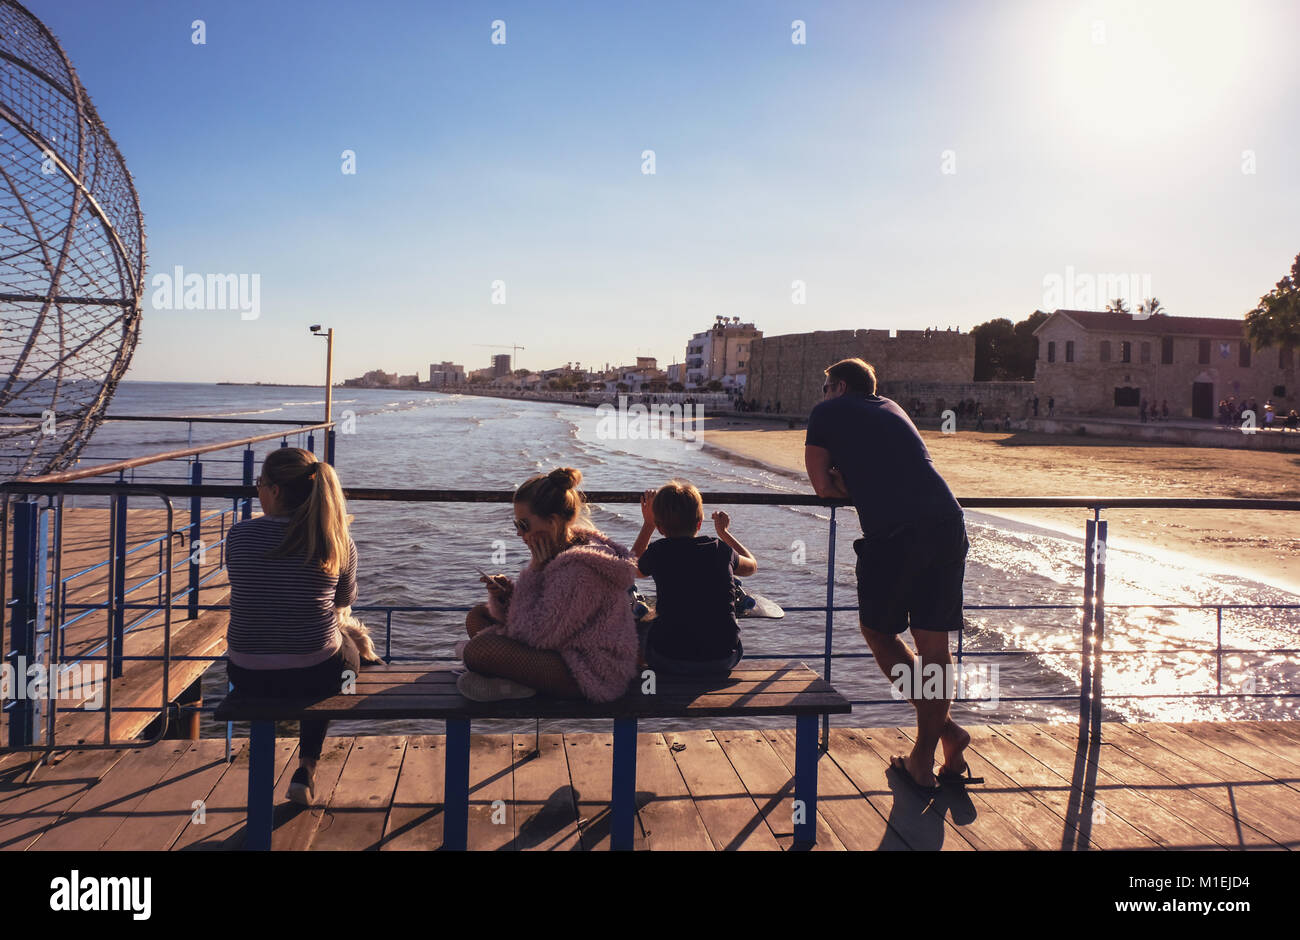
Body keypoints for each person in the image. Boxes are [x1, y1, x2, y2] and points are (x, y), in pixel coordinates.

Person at [804, 358, 974, 793]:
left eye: (826, 387)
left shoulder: (827, 411)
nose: (823, 395)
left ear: (838, 386)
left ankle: (925, 755)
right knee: (934, 647)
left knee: (879, 634)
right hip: (947, 522)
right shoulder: (892, 407)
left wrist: (848, 482)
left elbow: (822, 487)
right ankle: (944, 737)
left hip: (897, 534)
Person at [225, 447, 360, 806]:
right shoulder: (337, 540)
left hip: (246, 672)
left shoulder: (238, 536)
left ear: (276, 491)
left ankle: (274, 775)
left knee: (300, 648)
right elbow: (344, 601)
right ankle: (307, 767)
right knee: (343, 648)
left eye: (260, 484)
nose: (258, 491)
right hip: (314, 674)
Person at [461, 467, 639, 702]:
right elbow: (539, 616)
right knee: (477, 616)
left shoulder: (578, 571)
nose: (519, 534)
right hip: (559, 645)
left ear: (553, 522)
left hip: (590, 670)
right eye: (516, 525)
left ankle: (514, 682)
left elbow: (531, 636)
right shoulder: (561, 547)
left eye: (524, 525)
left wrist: (534, 571)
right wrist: (506, 596)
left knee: (477, 650)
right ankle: (515, 681)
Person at [630, 480, 757, 674]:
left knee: (639, 625)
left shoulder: (658, 551)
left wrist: (648, 525)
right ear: (699, 523)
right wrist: (724, 533)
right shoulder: (720, 549)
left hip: (668, 658)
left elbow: (633, 569)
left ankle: (645, 686)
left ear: (660, 528)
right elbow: (751, 566)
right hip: (723, 658)